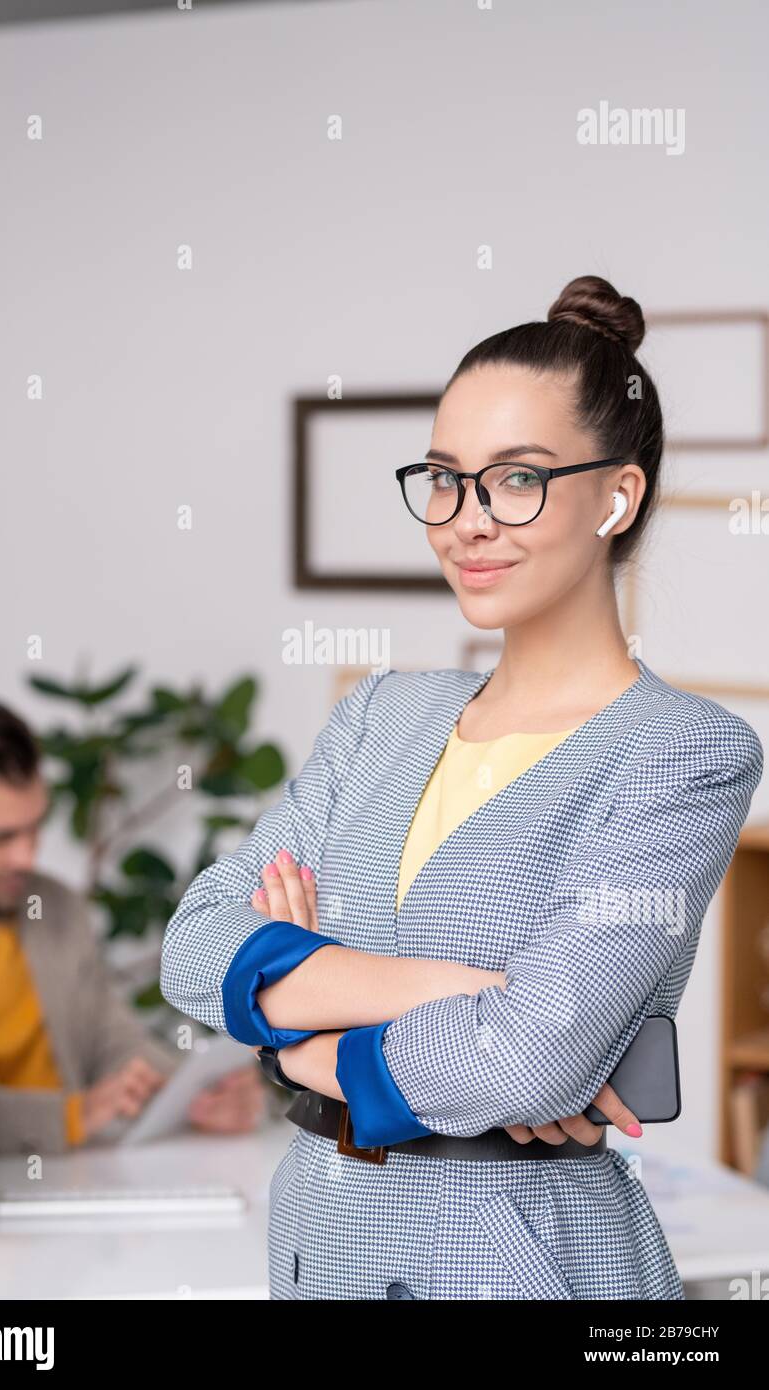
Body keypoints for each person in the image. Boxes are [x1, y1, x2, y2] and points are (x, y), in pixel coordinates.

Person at [159, 274, 764, 1300]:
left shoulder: (684, 753)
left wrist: (298, 1043)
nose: (463, 520)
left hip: (514, 1258)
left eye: (515, 479)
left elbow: (529, 1061)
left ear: (615, 495)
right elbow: (195, 943)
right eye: (443, 477)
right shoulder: (378, 715)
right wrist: (479, 995)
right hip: (319, 1243)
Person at [0, 699, 265, 1154]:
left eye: (34, 828)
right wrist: (74, 1115)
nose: (25, 857)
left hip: (72, 1174)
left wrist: (198, 1093)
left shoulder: (55, 906)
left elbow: (112, 1038)